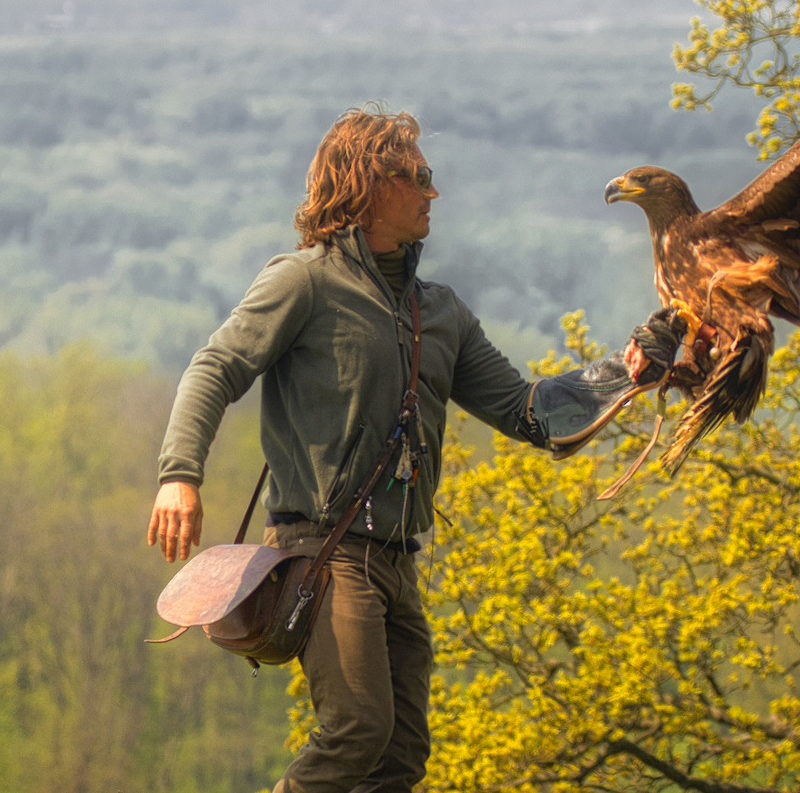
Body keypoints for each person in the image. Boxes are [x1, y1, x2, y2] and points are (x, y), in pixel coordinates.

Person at [147, 107, 678, 793]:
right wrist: (178, 475)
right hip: (323, 551)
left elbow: (530, 413)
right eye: (419, 176)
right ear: (369, 183)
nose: (433, 192)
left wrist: (628, 369)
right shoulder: (303, 282)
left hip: (399, 562)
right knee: (357, 731)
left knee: (399, 760)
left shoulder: (441, 312)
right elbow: (214, 369)